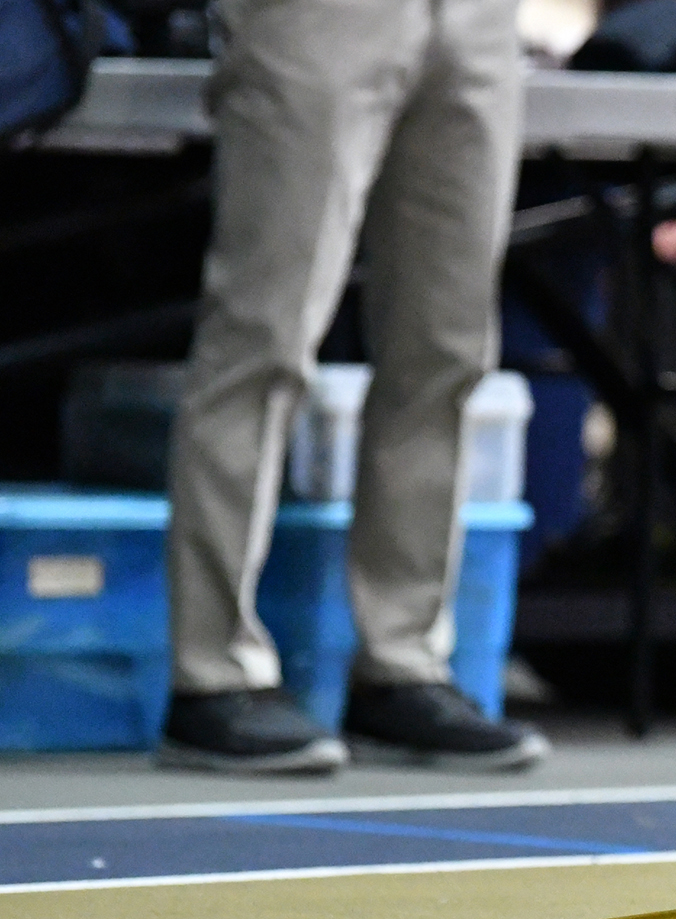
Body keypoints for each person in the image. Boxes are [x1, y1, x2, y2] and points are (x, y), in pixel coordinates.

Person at [158, 0, 548, 773]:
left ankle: (401, 665)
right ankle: (212, 674)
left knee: (447, 346)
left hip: (476, 20)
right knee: (264, 335)